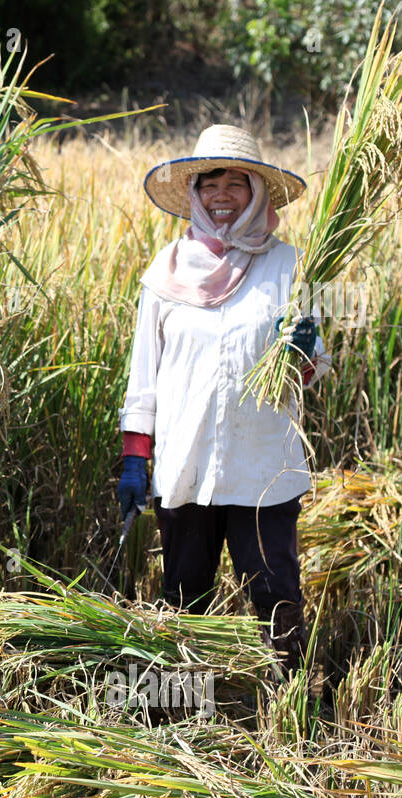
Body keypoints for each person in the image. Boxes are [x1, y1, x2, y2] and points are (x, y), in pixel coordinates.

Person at [118, 124, 331, 674]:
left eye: (236, 182)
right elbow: (144, 374)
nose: (221, 195)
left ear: (257, 192)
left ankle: (293, 703)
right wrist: (136, 457)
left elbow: (317, 365)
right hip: (185, 461)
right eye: (210, 182)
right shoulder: (164, 271)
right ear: (194, 192)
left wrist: (305, 350)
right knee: (185, 598)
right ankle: (183, 715)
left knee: (275, 593)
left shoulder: (290, 265)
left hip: (262, 464)